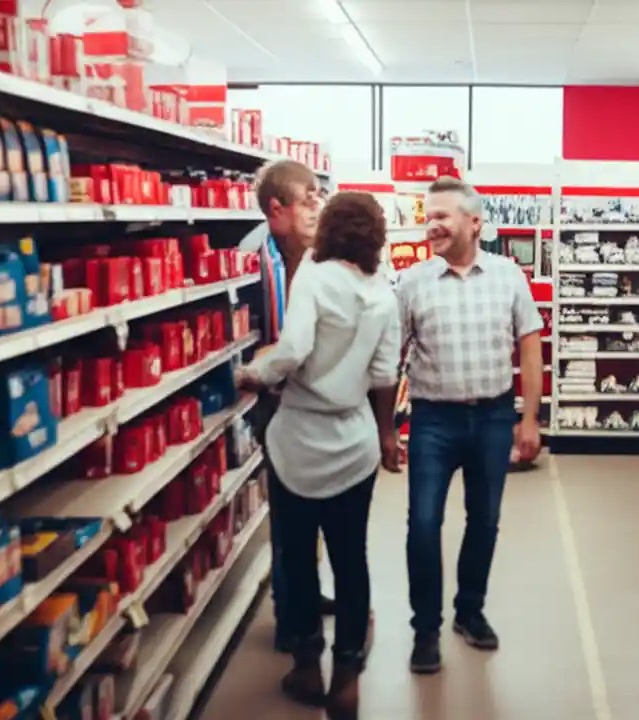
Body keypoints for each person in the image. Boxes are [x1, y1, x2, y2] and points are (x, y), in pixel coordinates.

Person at [236, 191, 402, 720]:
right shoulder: (382, 292)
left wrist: (253, 373)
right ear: (375, 239)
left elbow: (293, 349)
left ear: (328, 230)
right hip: (352, 442)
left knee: (299, 557)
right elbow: (384, 375)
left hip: (299, 440)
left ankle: (307, 666)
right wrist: (384, 435)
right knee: (352, 561)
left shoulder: (313, 272)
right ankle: (348, 675)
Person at [396, 176, 544, 674]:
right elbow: (393, 356)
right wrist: (382, 426)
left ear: (475, 222)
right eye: (427, 215)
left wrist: (529, 418)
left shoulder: (508, 276)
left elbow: (529, 345)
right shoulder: (412, 282)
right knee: (422, 524)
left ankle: (470, 612)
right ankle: (425, 631)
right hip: (433, 419)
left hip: (494, 416)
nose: (430, 224)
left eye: (442, 215)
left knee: (484, 520)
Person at [237, 160, 334, 653]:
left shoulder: (324, 259)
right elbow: (235, 338)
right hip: (274, 406)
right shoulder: (251, 259)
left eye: (320, 195)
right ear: (277, 209)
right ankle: (290, 618)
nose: (320, 204)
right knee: (288, 517)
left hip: (318, 402)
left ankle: (309, 595)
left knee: (318, 511)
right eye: (310, 197)